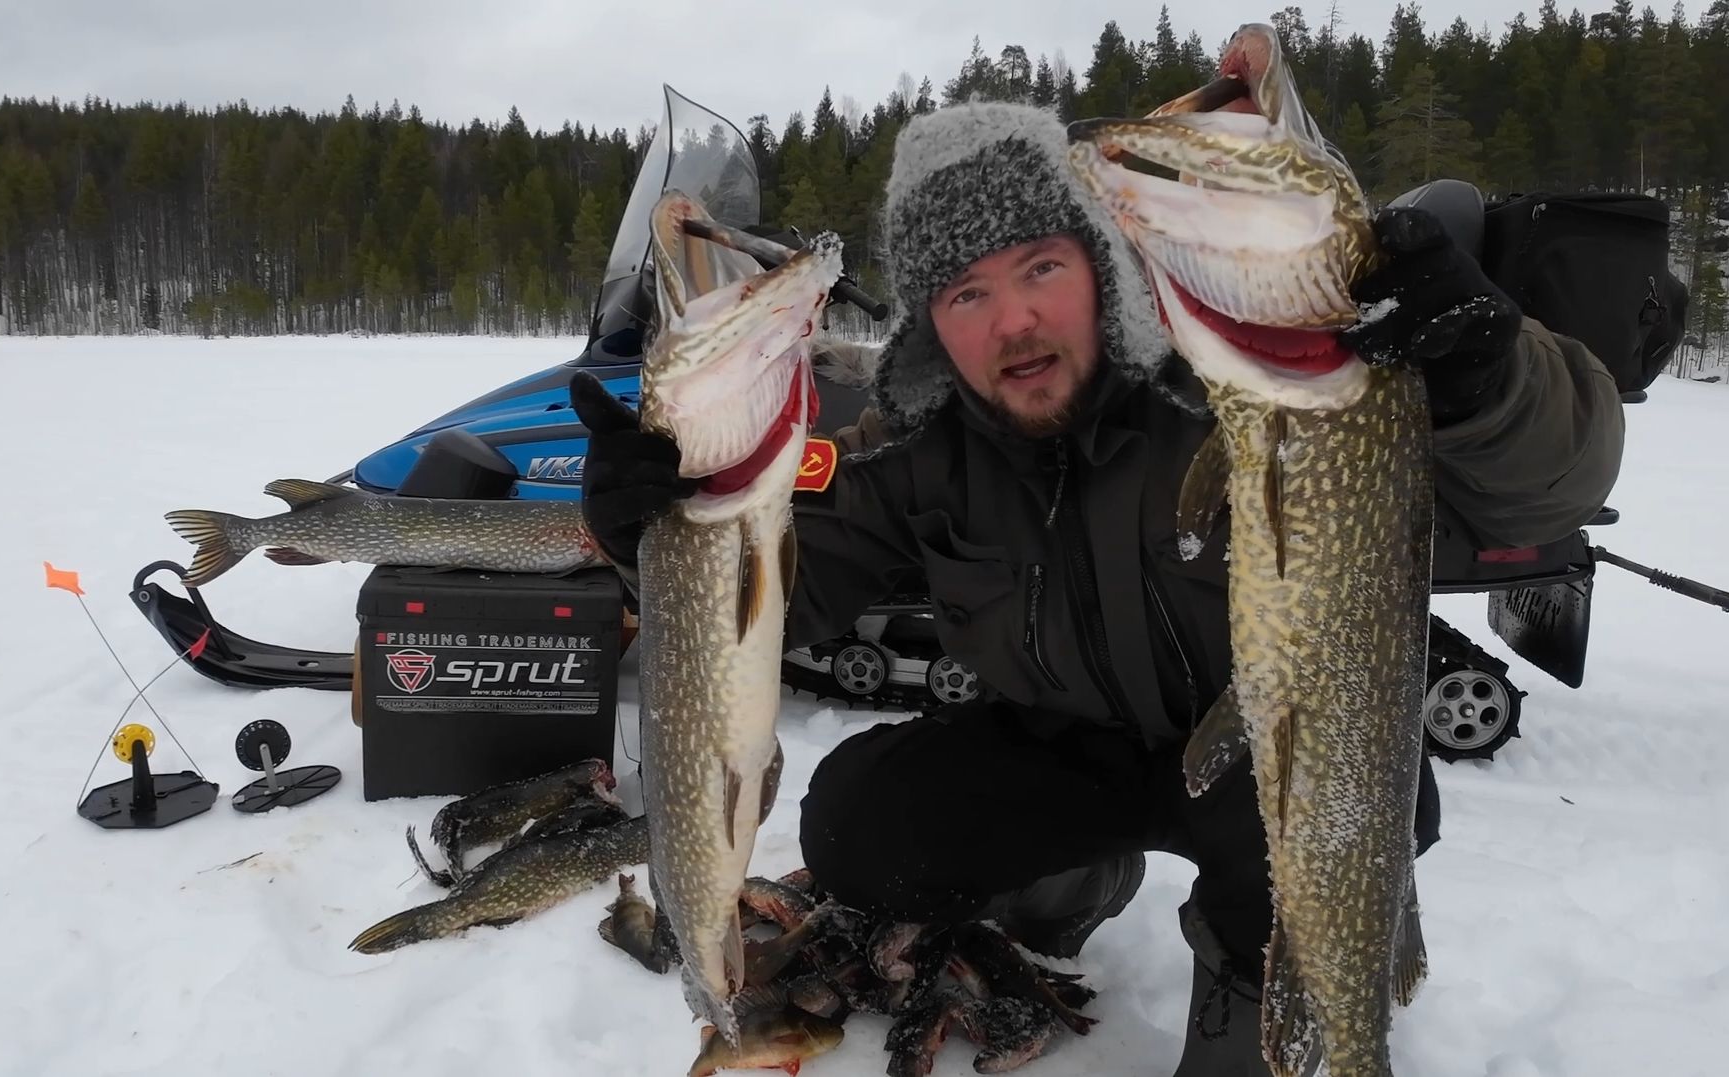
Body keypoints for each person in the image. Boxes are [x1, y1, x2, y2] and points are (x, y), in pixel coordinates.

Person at [569, 101, 1625, 1073]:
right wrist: (651, 540)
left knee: (1300, 825)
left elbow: (1544, 492)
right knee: (856, 818)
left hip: (1252, 748)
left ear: (1099, 264)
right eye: (966, 293)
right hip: (1053, 745)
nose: (1012, 323)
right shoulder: (918, 447)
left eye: (1038, 268)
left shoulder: (1244, 389)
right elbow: (783, 603)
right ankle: (1065, 887)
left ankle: (1257, 997)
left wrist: (1490, 379)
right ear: (933, 322)